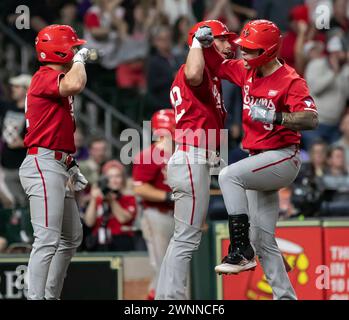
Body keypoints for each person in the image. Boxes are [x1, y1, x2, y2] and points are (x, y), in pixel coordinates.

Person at [198, 19, 318, 300]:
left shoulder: (290, 79)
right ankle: (285, 297)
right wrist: (203, 46)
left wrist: (278, 117)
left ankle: (240, 248)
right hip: (259, 161)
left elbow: (311, 118)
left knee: (229, 175)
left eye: (251, 50)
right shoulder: (247, 71)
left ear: (269, 51)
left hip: (282, 158)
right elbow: (217, 66)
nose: (244, 54)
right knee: (264, 241)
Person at [155, 20, 237, 300]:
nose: (229, 45)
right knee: (188, 238)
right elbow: (191, 73)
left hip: (194, 158)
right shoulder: (194, 68)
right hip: (191, 157)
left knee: (182, 237)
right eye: (222, 39)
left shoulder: (211, 74)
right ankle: (172, 299)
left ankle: (166, 295)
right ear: (203, 42)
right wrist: (196, 44)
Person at [19, 25, 89, 300]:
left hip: (57, 163)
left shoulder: (55, 77)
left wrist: (70, 163)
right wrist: (81, 61)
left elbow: (55, 131)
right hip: (42, 163)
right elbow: (76, 84)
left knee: (71, 237)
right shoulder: (45, 75)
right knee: (47, 239)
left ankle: (49, 295)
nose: (75, 51)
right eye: (72, 47)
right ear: (58, 49)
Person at [132, 109, 176, 300]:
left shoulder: (177, 154)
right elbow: (140, 188)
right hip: (156, 215)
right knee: (163, 268)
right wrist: (168, 197)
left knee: (170, 269)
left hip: (175, 215)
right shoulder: (149, 154)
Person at [84, 160, 137, 251]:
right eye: (110, 177)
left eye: (118, 176)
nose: (114, 180)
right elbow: (89, 222)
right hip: (99, 242)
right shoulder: (98, 199)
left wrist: (111, 201)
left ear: (123, 179)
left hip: (122, 242)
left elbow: (123, 218)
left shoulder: (129, 198)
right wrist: (93, 199)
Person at [0, 74, 31, 207]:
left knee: (27, 204)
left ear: (26, 89)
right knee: (15, 205)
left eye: (17, 87)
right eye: (13, 86)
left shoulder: (33, 110)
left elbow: (44, 137)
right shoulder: (7, 106)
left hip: (25, 166)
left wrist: (24, 142)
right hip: (7, 167)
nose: (13, 89)